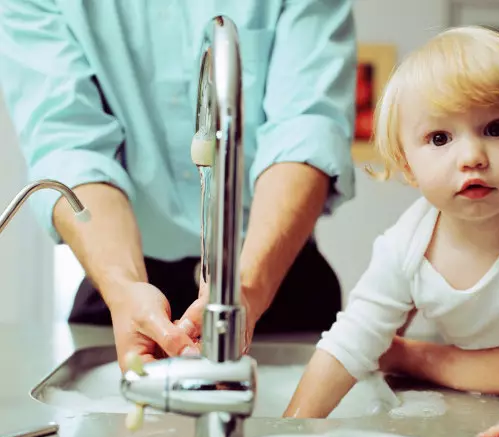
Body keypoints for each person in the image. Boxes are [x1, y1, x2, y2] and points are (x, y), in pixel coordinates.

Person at [0, 1, 356, 370]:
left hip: (277, 278)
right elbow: (69, 142)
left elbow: (307, 127)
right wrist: (124, 287)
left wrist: (246, 288)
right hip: (124, 288)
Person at [283, 26, 499, 437]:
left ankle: (418, 359)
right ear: (407, 166)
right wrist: (292, 427)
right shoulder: (405, 245)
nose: (471, 156)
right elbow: (349, 341)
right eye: (439, 138)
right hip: (489, 390)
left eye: (495, 128)